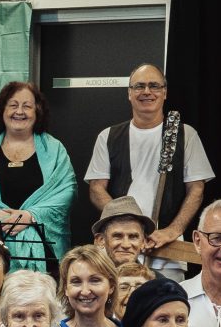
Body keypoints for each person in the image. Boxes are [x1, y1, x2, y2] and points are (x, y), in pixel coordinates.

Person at [84, 65, 211, 272]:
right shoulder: (108, 136)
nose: (146, 92)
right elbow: (97, 188)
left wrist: (172, 230)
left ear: (165, 92)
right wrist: (129, 223)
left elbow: (196, 189)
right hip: (120, 249)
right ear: (129, 93)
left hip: (167, 251)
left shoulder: (186, 135)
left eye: (154, 86)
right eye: (139, 86)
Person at [0, 80, 75, 273]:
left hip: (45, 252)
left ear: (37, 111)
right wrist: (3, 218)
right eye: (13, 105)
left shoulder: (55, 149)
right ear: (1, 110)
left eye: (27, 106)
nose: (19, 111)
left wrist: (30, 216)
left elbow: (66, 192)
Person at [91, 195, 155, 274]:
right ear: (100, 240)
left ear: (143, 242)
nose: (126, 245)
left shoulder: (157, 283)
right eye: (117, 236)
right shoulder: (87, 279)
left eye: (133, 237)